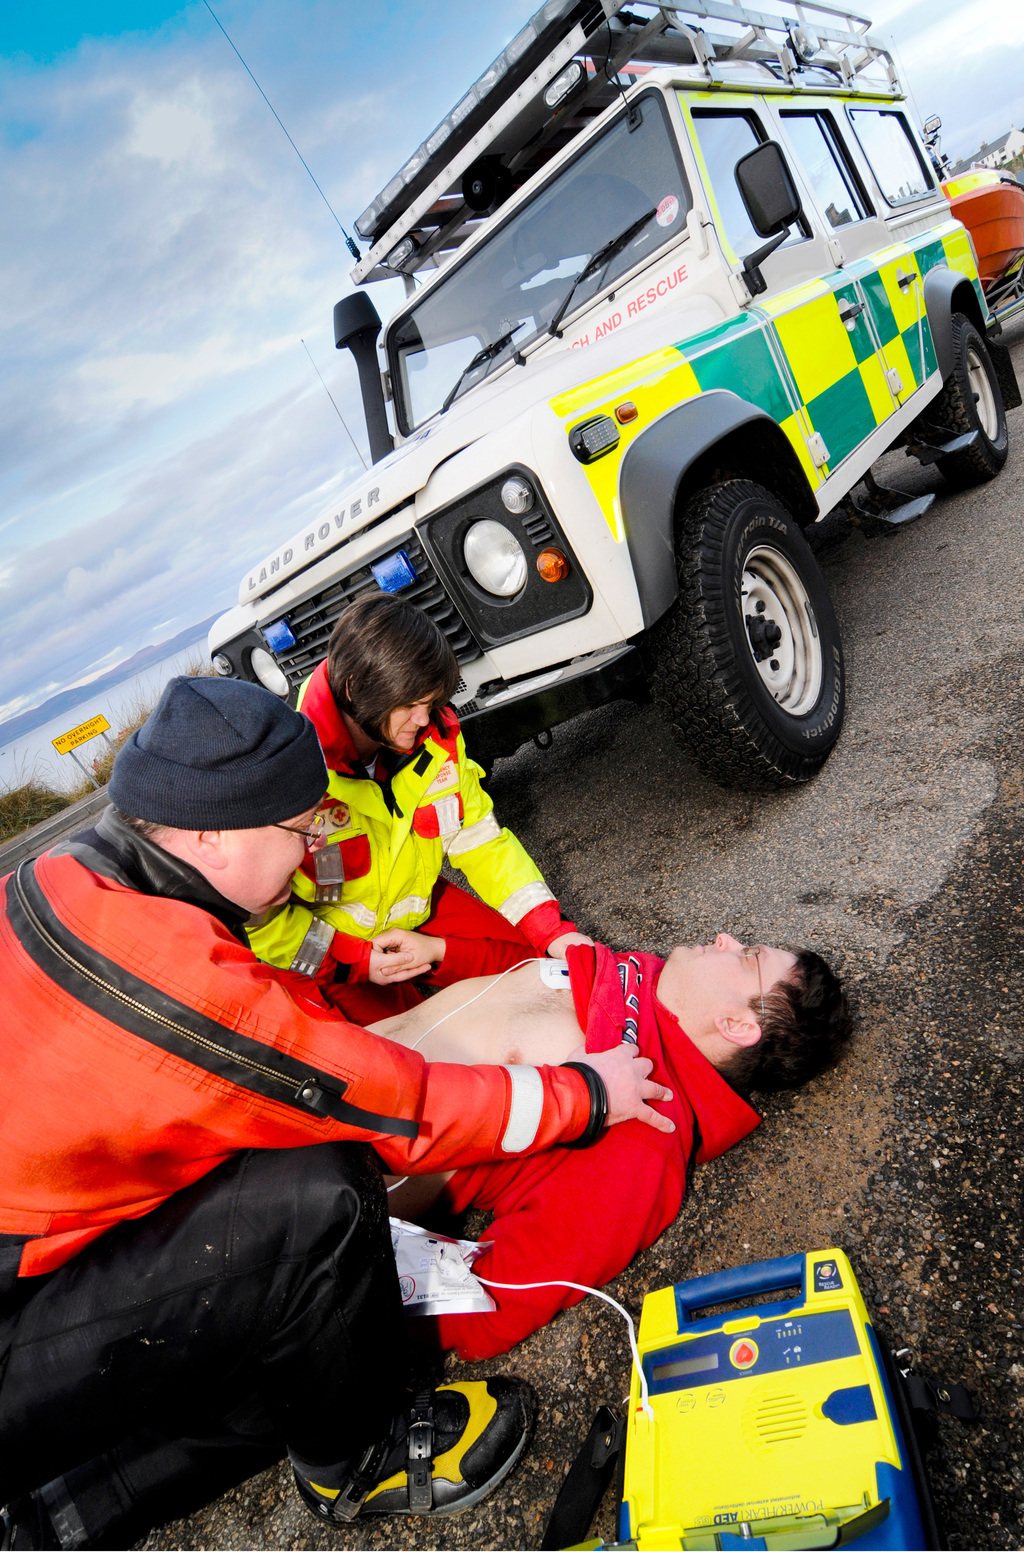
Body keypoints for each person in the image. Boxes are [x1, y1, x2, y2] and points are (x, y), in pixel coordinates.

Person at [0, 677, 672, 1550]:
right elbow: (397, 1107)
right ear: (210, 830)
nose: (318, 844)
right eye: (301, 826)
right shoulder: (169, 978)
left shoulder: (57, 876)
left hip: (33, 1269)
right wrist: (587, 1093)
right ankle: (358, 1464)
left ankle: (54, 1514)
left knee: (280, 1320)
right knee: (317, 1195)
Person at [371, 934, 852, 1359]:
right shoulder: (628, 977)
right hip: (314, 1056)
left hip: (314, 1170)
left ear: (737, 1024)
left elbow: (491, 1305)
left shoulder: (642, 1136)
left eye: (748, 957)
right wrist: (446, 954)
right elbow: (516, 976)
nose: (724, 938)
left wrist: (326, 1292)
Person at [246, 593, 592, 1023]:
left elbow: (482, 842)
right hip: (335, 955)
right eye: (410, 705)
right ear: (355, 687)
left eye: (430, 704)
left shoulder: (437, 743)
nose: (424, 720)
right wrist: (357, 961)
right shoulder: (282, 771)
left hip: (418, 919)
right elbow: (266, 923)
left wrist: (555, 932)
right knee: (403, 1055)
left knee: (546, 966)